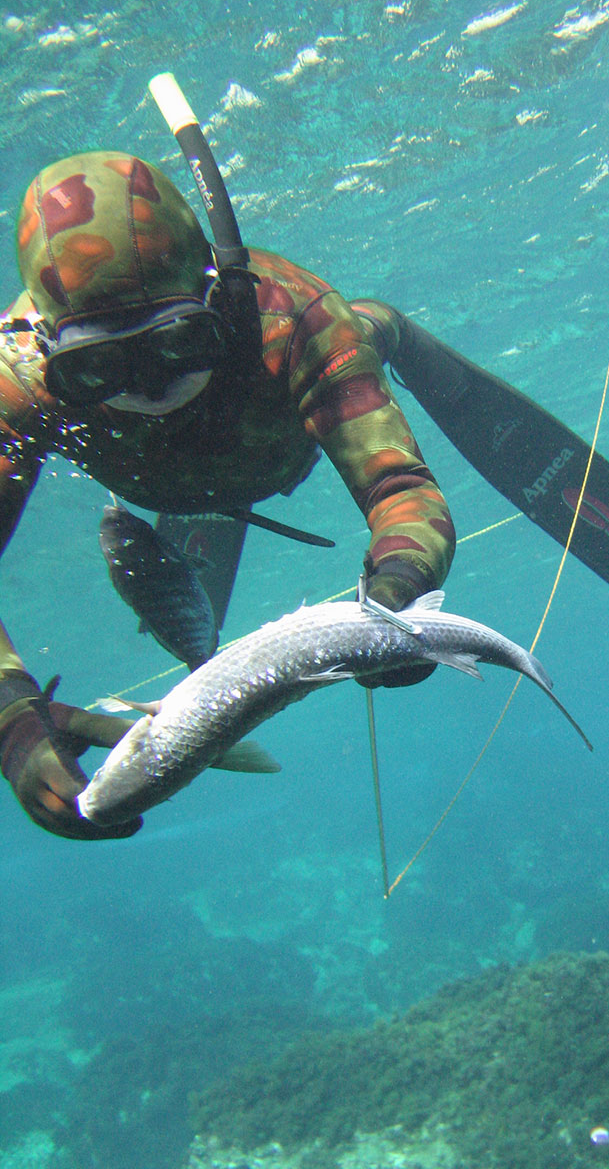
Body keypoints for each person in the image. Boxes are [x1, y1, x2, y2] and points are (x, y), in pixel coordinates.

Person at [0, 150, 456, 841]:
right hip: (197, 481)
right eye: (98, 367)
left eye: (176, 341)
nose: (150, 385)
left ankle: (379, 324)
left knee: (354, 332)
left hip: (289, 442)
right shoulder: (19, 375)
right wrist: (11, 718)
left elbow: (402, 490)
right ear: (50, 349)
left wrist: (398, 588)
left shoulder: (294, 315)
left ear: (218, 298)